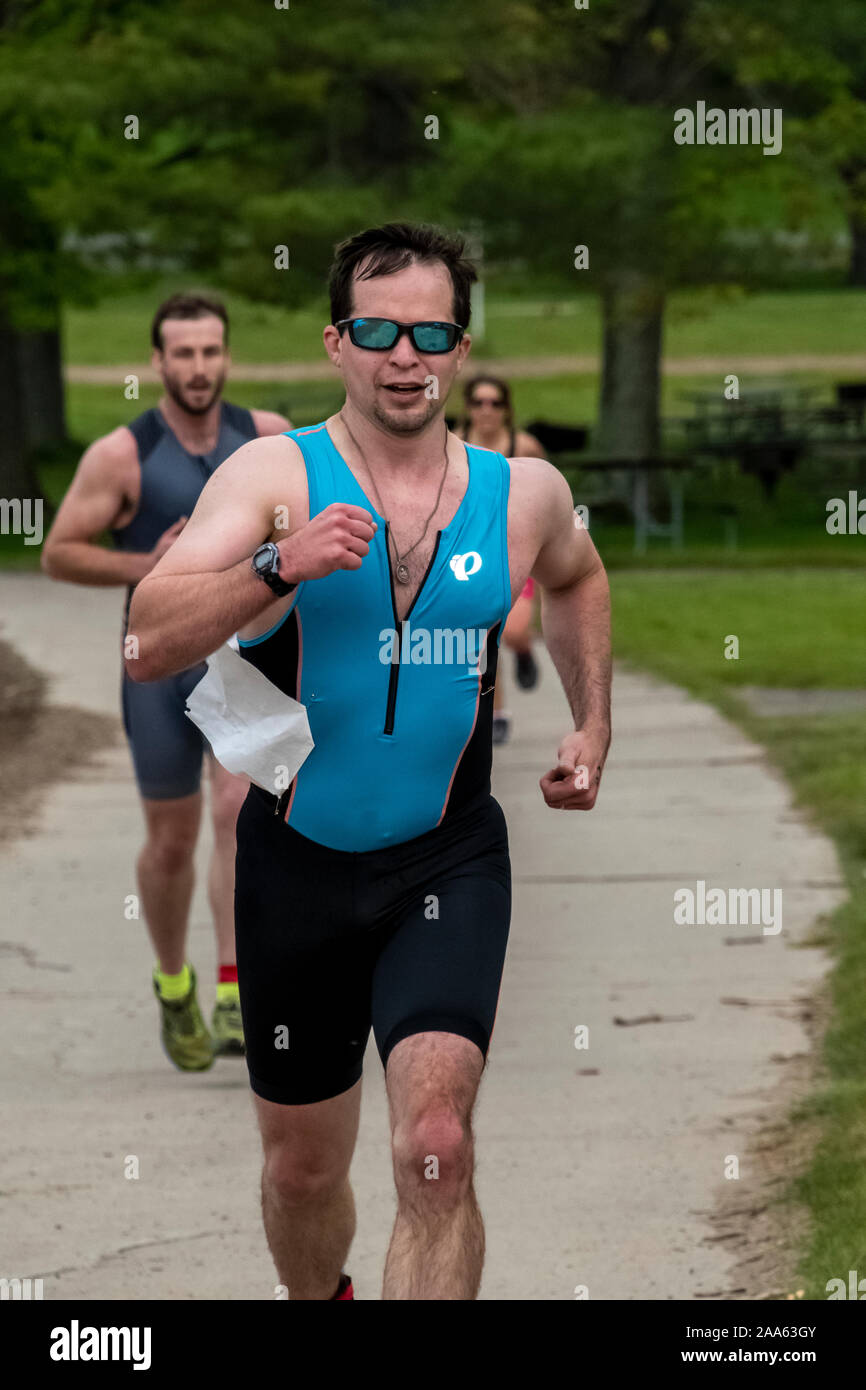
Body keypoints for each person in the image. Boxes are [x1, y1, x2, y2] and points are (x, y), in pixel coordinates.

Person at [126, 223, 611, 1300]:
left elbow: (577, 577)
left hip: (445, 861)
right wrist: (273, 564)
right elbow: (148, 635)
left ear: (459, 345)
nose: (406, 355)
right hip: (294, 865)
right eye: (379, 330)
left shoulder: (520, 493)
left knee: (432, 1145)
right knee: (302, 1174)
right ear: (335, 343)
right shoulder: (271, 473)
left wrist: (591, 720)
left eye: (430, 331)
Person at [41, 293, 292, 1071]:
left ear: (227, 356)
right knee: (170, 841)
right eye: (182, 354)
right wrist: (146, 564)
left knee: (235, 809)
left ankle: (232, 987)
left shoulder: (271, 440)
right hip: (156, 667)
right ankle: (174, 980)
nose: (198, 368)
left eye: (210, 352)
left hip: (244, 663)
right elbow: (59, 552)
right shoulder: (122, 455)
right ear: (157, 362)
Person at [456, 376, 546, 744]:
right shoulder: (451, 445)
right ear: (468, 407)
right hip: (469, 556)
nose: (486, 410)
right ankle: (496, 712)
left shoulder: (523, 446)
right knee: (480, 637)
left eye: (494, 403)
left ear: (506, 408)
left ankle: (524, 652)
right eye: (478, 402)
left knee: (513, 632)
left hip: (516, 552)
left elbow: (547, 497)